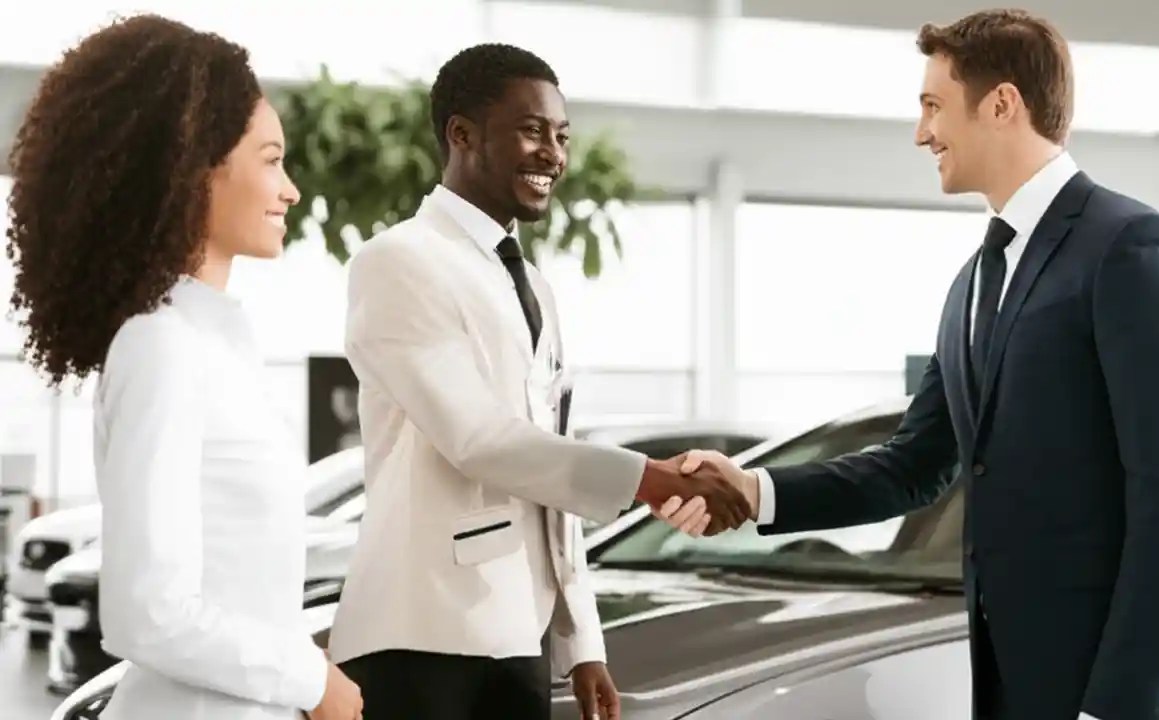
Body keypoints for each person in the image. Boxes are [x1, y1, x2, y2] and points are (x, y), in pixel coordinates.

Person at [664, 9, 1159, 720]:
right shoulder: (972, 283)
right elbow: (915, 464)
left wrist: (1118, 707)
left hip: (1112, 696)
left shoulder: (1134, 250)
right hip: (1010, 689)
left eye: (933, 105)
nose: (921, 132)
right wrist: (751, 489)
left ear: (1002, 104)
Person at [325, 42, 747, 720]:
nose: (553, 153)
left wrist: (580, 640)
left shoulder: (535, 287)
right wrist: (654, 479)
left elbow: (550, 462)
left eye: (561, 135)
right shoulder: (398, 259)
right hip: (419, 638)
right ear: (461, 135)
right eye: (531, 130)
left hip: (517, 638)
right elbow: (480, 440)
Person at [4, 15, 363, 720]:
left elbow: (238, 582)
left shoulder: (216, 342)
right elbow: (148, 614)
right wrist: (309, 681)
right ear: (192, 168)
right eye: (270, 159)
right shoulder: (160, 344)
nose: (290, 189)